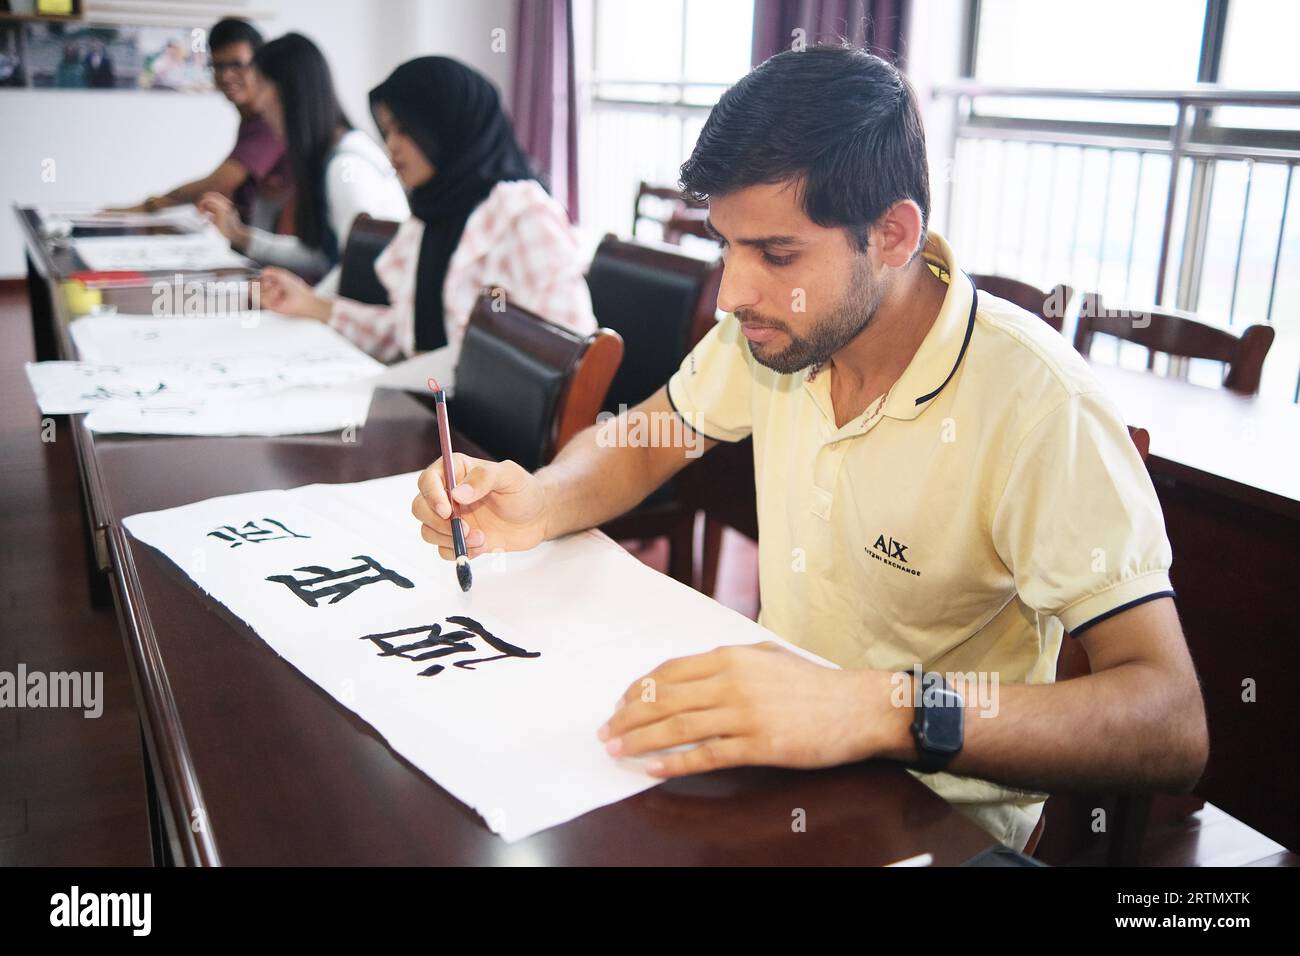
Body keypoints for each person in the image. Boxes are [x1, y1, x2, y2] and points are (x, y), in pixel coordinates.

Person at [409, 46, 1209, 851]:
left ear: (893, 235)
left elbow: (1170, 721)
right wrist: (542, 498)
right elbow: (643, 438)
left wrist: (877, 707)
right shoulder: (776, 331)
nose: (732, 293)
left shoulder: (1039, 406)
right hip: (774, 760)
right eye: (727, 245)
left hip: (935, 814)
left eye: (777, 254)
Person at [256, 56, 593, 361]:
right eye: (387, 131)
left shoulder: (524, 213)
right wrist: (312, 305)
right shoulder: (430, 214)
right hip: (439, 406)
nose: (391, 146)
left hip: (495, 424)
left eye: (405, 129)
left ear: (446, 127)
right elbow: (411, 335)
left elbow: (567, 351)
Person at [198, 33, 408, 285]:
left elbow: (361, 272)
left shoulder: (347, 167)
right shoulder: (333, 154)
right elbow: (319, 254)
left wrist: (306, 302)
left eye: (262, 87)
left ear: (291, 93)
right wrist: (240, 236)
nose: (260, 103)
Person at [112, 19, 288, 225]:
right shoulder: (250, 120)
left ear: (261, 67)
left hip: (272, 247)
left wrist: (145, 208)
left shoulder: (268, 120)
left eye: (237, 65)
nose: (226, 76)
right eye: (218, 66)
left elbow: (218, 184)